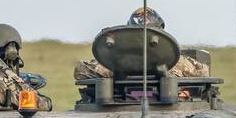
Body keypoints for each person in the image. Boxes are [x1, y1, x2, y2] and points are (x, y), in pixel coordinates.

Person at [73, 8, 210, 81]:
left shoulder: (112, 64)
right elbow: (203, 71)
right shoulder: (176, 63)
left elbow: (81, 70)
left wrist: (113, 68)